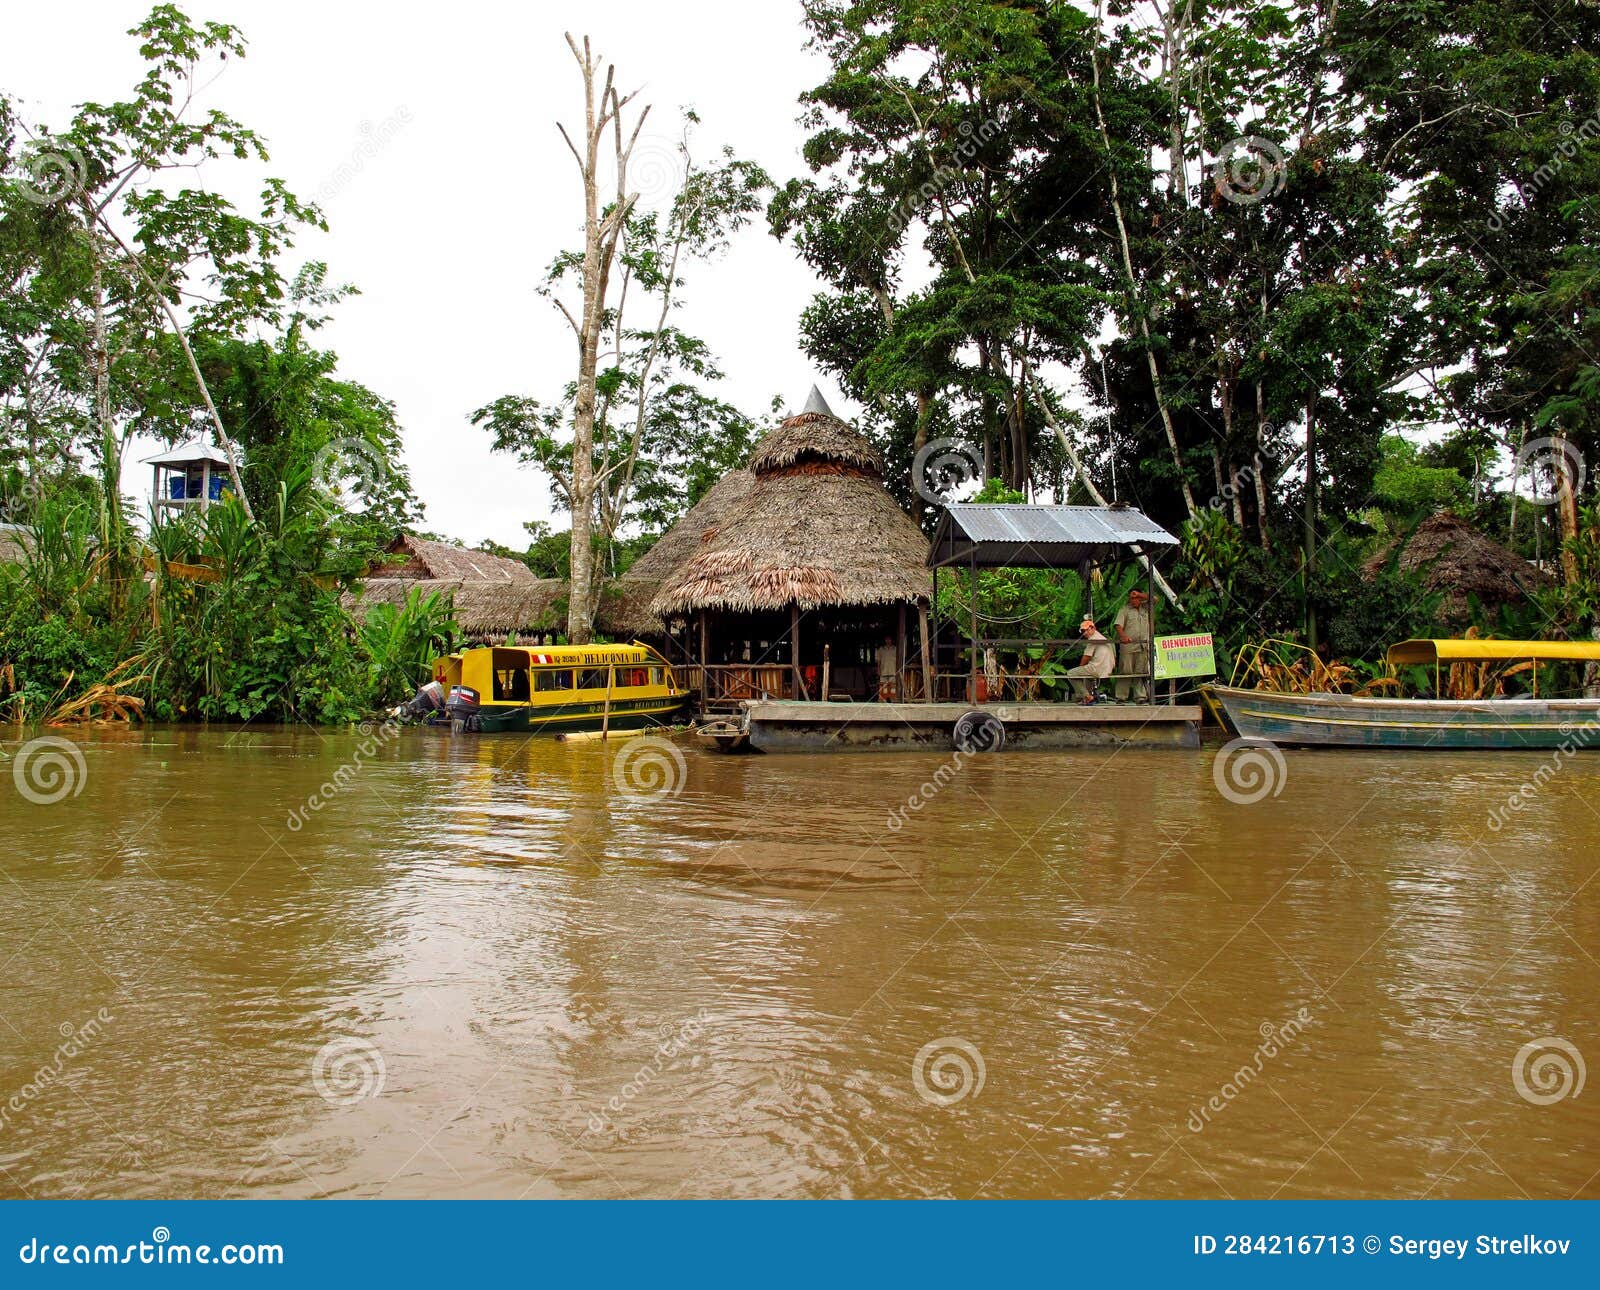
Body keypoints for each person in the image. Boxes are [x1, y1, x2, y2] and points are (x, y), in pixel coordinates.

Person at [1113, 587, 1154, 703]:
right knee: (1125, 671)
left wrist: (1140, 594)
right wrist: (1123, 636)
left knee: (1140, 672)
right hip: (1128, 646)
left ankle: (1140, 697)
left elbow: (1155, 599)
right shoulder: (1125, 610)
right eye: (1131, 598)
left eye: (1136, 598)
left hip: (1143, 646)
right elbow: (1118, 625)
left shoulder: (1146, 608)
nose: (1133, 600)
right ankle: (1121, 697)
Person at [1066, 616, 1115, 703]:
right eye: (1083, 631)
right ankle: (1086, 697)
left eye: (1087, 630)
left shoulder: (1092, 639)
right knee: (1087, 674)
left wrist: (1081, 667)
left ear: (1093, 628)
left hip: (1097, 668)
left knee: (1071, 673)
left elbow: (1086, 656)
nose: (1085, 633)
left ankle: (1087, 696)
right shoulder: (1103, 638)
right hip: (1107, 668)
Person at [876, 634, 899, 701]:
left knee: (893, 686)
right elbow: (879, 661)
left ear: (892, 640)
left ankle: (893, 700)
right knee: (883, 686)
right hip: (883, 671)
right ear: (885, 640)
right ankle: (883, 700)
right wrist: (878, 669)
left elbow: (898, 660)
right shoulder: (881, 649)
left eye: (889, 639)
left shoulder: (895, 649)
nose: (888, 641)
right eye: (887, 639)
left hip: (893, 671)